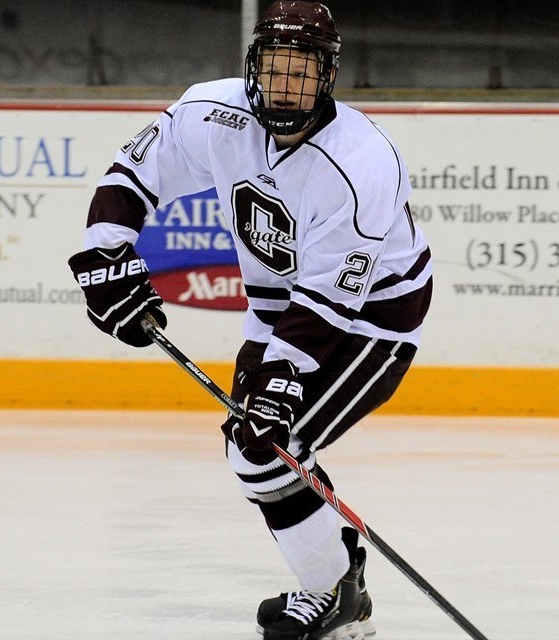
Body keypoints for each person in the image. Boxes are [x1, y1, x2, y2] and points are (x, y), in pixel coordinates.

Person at [68, 2, 432, 638]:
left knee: (266, 451)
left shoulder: (362, 164)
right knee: (255, 452)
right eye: (273, 68)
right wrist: (106, 252)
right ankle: (339, 585)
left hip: (369, 320)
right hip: (279, 311)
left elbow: (327, 301)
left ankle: (337, 592)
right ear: (251, 67)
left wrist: (282, 377)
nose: (286, 86)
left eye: (303, 72)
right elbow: (134, 172)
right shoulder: (212, 112)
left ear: (329, 77)